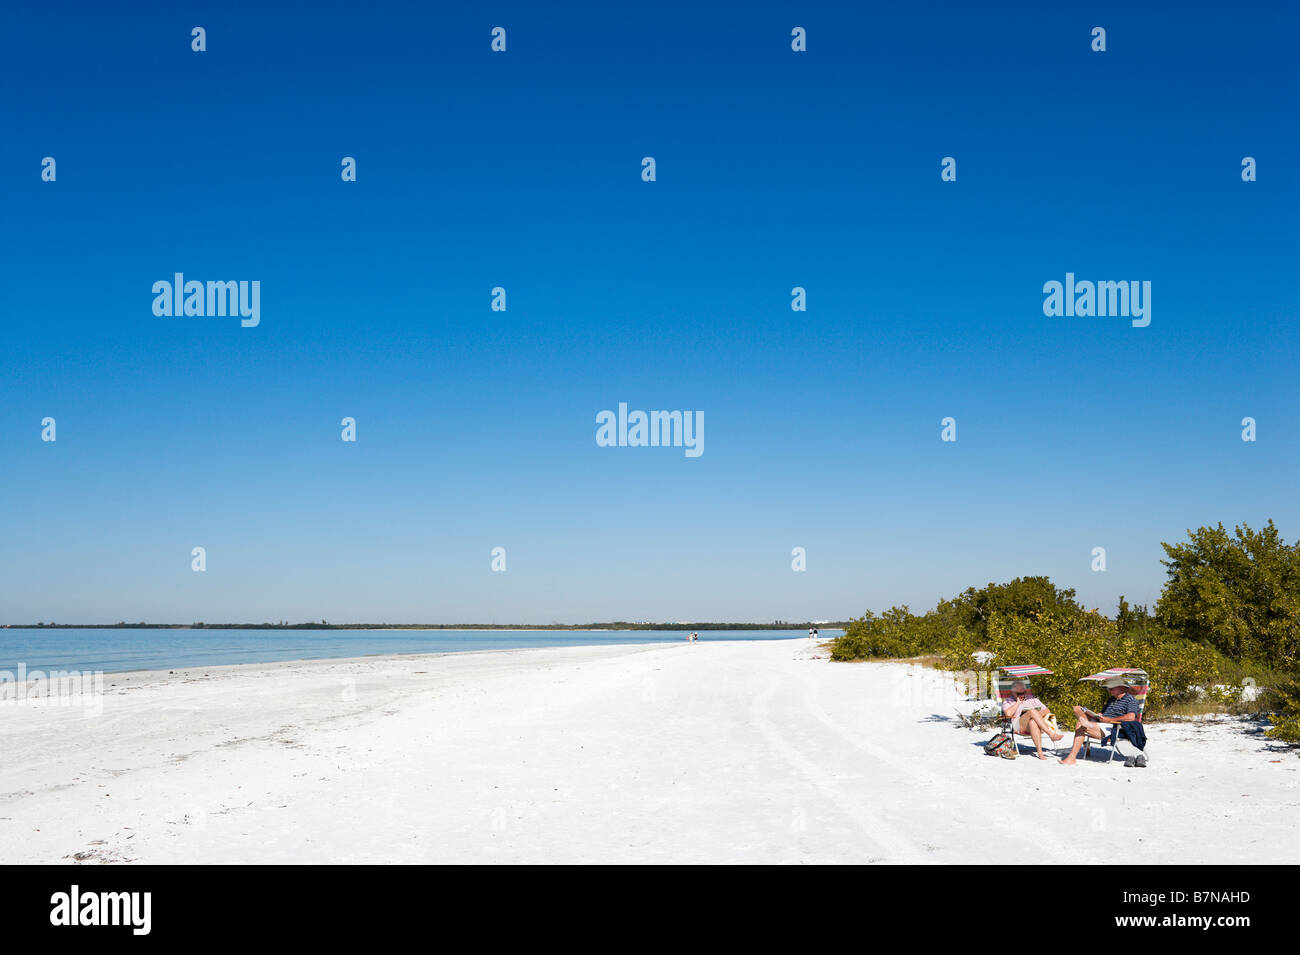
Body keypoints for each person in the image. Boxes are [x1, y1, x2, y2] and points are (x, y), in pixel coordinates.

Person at [1060, 684, 1145, 765]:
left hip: (1113, 727)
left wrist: (1109, 720)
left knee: (1081, 724)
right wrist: (1099, 714)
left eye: (1112, 688)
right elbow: (1105, 713)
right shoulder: (1111, 699)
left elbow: (1131, 717)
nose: (1109, 690)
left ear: (1121, 688)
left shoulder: (1130, 700)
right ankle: (1086, 726)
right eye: (1109, 688)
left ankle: (1072, 757)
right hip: (1101, 723)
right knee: (1078, 709)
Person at [1002, 680, 1064, 759]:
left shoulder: (1031, 699)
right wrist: (1017, 703)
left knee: (1033, 721)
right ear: (1012, 692)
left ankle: (1040, 752)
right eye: (1018, 693)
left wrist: (1037, 715)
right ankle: (1051, 734)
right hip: (1018, 725)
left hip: (1038, 725)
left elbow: (1047, 710)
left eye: (1023, 692)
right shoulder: (1008, 701)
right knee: (1032, 712)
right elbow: (1008, 714)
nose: (1021, 695)